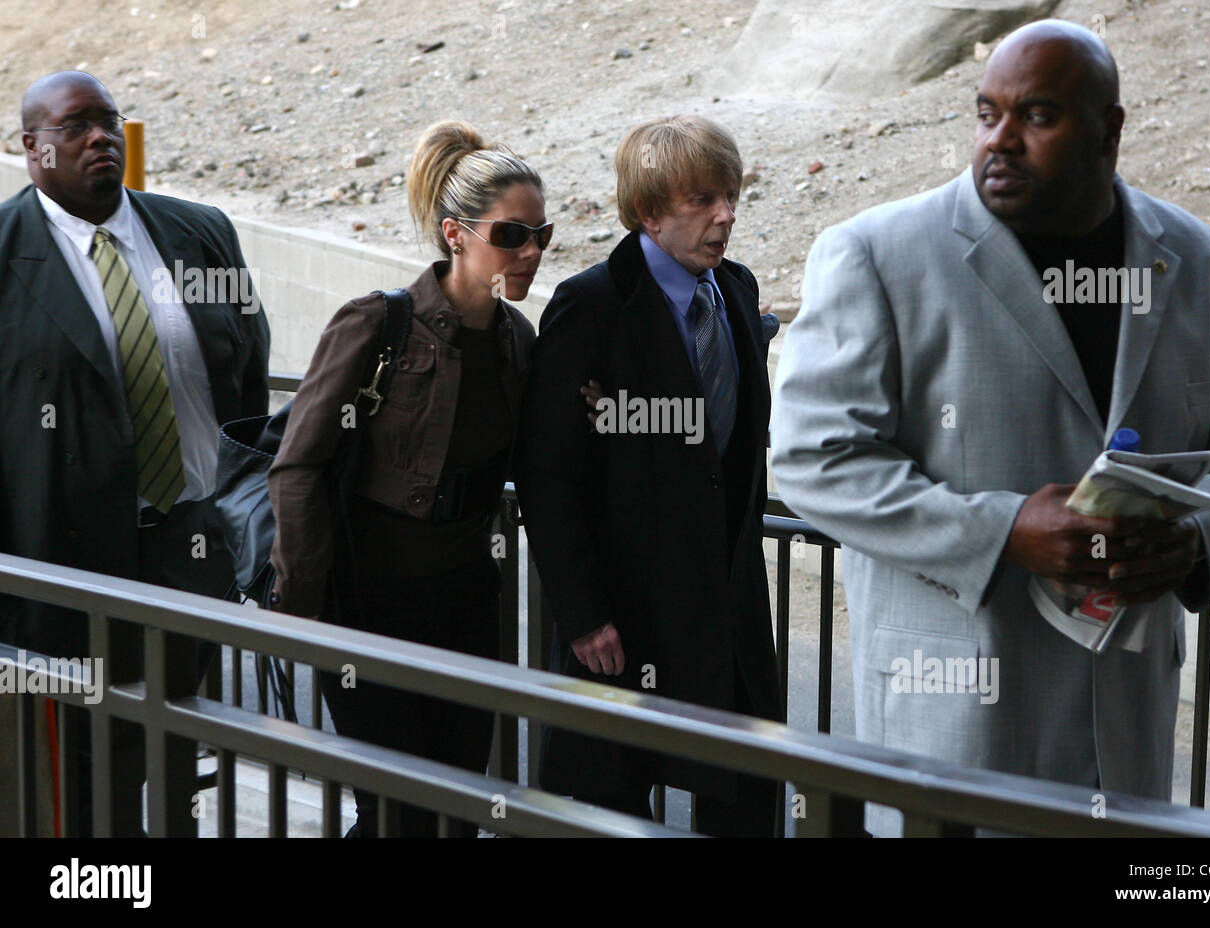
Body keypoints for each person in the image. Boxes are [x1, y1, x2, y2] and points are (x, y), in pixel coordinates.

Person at [770, 19, 1210, 834]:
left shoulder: (1206, 264)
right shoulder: (876, 254)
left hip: (1123, 730)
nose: (999, 141)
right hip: (953, 734)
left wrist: (1197, 535)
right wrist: (1005, 529)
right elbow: (811, 462)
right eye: (986, 114)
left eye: (1037, 116)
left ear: (1109, 130)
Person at [0, 70, 270, 836]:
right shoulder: (5, 252)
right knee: (82, 766)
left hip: (189, 549)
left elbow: (248, 376)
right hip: (61, 565)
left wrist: (237, 515)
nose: (100, 138)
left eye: (109, 122)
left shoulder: (202, 231)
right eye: (76, 126)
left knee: (175, 747)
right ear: (32, 148)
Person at [268, 120, 547, 837]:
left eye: (542, 234)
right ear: (455, 235)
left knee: (455, 806)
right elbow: (299, 464)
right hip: (368, 605)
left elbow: (538, 459)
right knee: (396, 812)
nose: (532, 251)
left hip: (464, 604)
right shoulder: (379, 324)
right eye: (512, 235)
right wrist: (301, 602)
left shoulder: (518, 344)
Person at [515, 114, 784, 837]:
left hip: (726, 607)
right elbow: (549, 473)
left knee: (745, 798)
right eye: (702, 200)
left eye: (730, 196)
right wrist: (582, 612)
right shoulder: (591, 304)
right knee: (608, 806)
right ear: (648, 211)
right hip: (625, 615)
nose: (725, 215)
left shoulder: (735, 289)